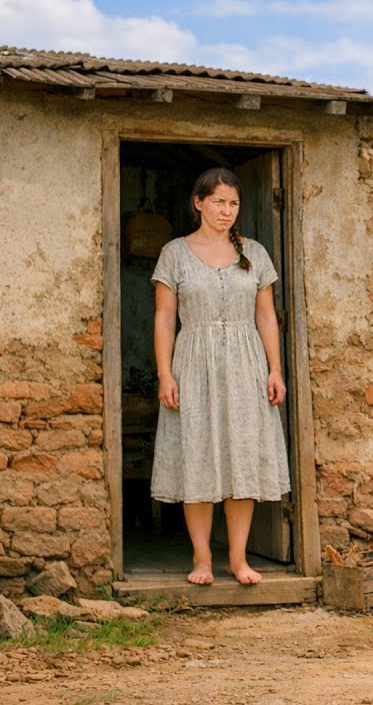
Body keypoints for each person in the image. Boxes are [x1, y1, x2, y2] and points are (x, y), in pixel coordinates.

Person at [151, 167, 291, 586]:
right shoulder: (174, 252)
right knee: (197, 457)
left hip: (246, 365)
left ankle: (238, 559)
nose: (226, 211)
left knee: (241, 458)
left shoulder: (255, 253)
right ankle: (202, 559)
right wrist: (165, 373)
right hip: (193, 364)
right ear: (198, 203)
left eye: (233, 203)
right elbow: (164, 317)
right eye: (218, 202)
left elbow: (266, 316)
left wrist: (275, 369)